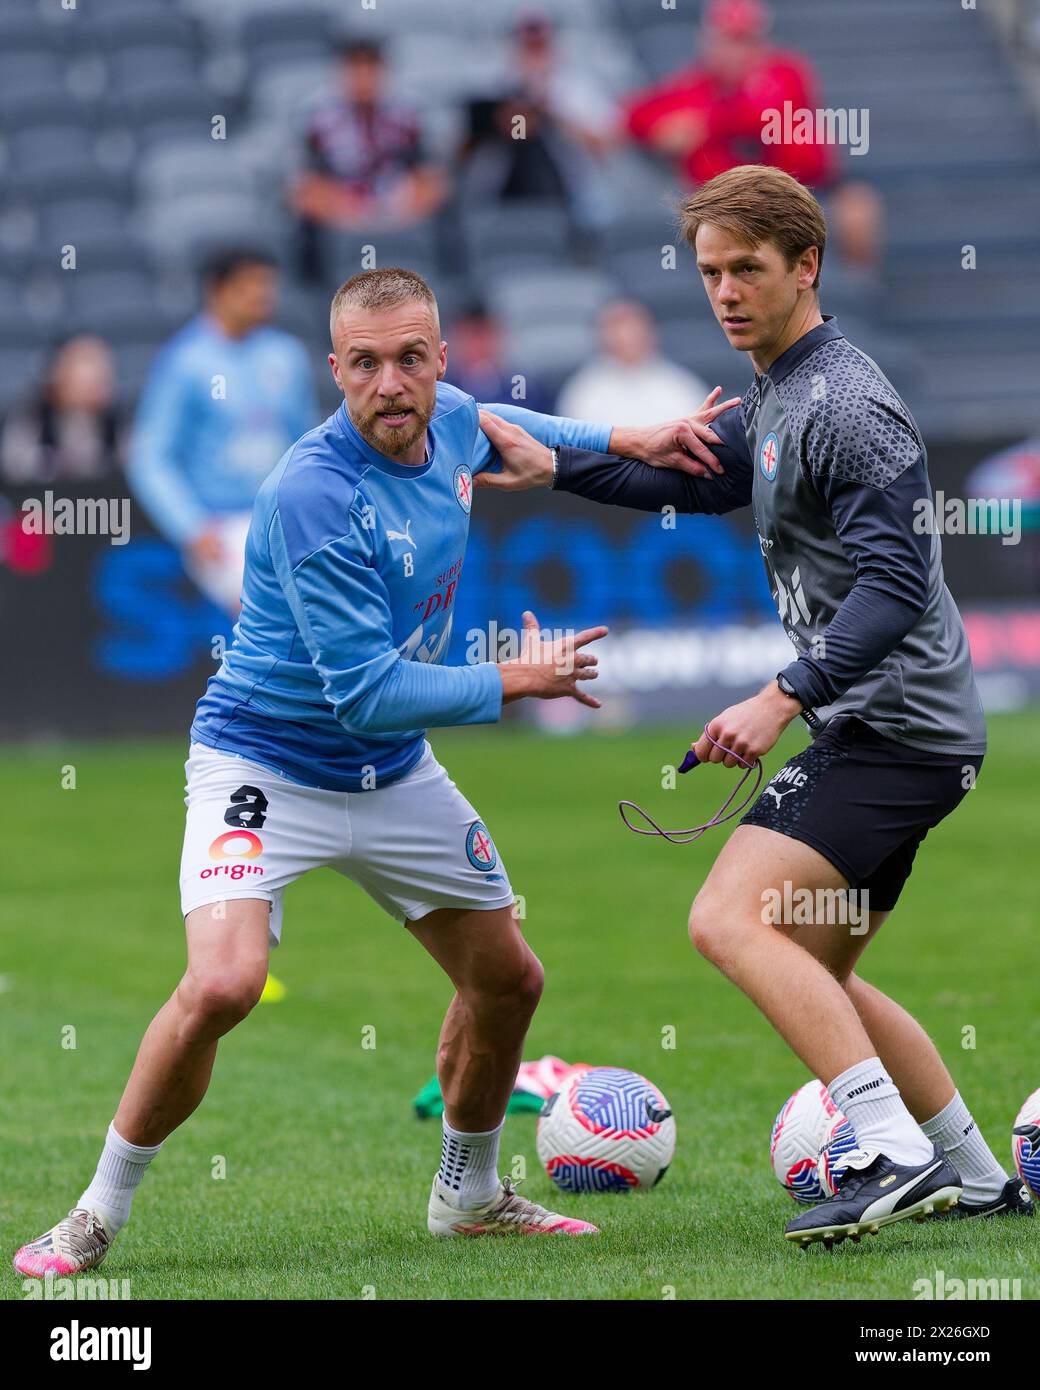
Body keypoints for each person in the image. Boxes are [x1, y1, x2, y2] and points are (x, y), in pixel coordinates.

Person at [13, 267, 712, 1275]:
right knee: (223, 984)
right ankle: (95, 1212)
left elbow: (511, 426)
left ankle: (466, 1194)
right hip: (266, 761)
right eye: (367, 363)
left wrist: (625, 439)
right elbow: (366, 693)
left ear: (438, 360)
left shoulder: (454, 419)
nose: (392, 382)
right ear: (334, 370)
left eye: (411, 358)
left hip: (389, 775)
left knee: (509, 980)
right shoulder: (311, 492)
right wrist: (512, 678)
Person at [477, 166, 1031, 1246]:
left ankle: (887, 1152)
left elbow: (895, 584)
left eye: (747, 269)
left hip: (892, 729)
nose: (724, 292)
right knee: (817, 967)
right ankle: (969, 1172)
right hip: (897, 727)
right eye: (709, 273)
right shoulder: (780, 387)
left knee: (726, 918)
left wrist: (781, 694)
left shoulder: (846, 401)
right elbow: (688, 478)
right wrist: (558, 464)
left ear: (804, 267)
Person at [127, 248, 319, 616]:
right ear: (217, 290)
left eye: (267, 286)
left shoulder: (287, 355)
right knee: (272, 615)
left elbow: (306, 443)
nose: (262, 296)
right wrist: (191, 526)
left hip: (283, 519)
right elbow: (151, 455)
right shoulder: (186, 362)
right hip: (223, 524)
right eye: (250, 286)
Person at [625, 0, 881, 270]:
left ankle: (854, 300)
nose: (736, 52)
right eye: (728, 41)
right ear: (707, 43)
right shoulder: (694, 86)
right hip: (723, 209)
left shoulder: (784, 74)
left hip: (798, 196)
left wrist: (704, 125)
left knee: (858, 206)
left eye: (746, 41)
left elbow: (763, 114)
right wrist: (658, 130)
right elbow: (633, 115)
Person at [458, 11, 616, 251]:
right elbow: (461, 153)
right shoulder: (494, 88)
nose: (534, 54)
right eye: (527, 46)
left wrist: (550, 110)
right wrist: (502, 124)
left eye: (539, 45)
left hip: (572, 193)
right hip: (500, 193)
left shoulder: (578, 88)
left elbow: (603, 146)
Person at [289, 37, 447, 278]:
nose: (363, 79)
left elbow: (430, 178)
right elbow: (305, 187)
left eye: (371, 69)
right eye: (355, 69)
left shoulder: (409, 113)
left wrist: (398, 211)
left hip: (400, 206)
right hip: (337, 209)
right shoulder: (315, 116)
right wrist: (348, 211)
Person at [556, 299, 709, 426]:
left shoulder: (680, 386)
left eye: (633, 326)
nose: (626, 336)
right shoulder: (583, 392)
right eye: (616, 327)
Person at [0, 336, 122, 484]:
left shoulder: (117, 430)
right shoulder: (31, 424)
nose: (96, 383)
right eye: (84, 368)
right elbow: (15, 470)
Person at [446, 300, 552, 414]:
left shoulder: (526, 390)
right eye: (471, 336)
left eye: (484, 336)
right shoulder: (442, 391)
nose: (479, 346)